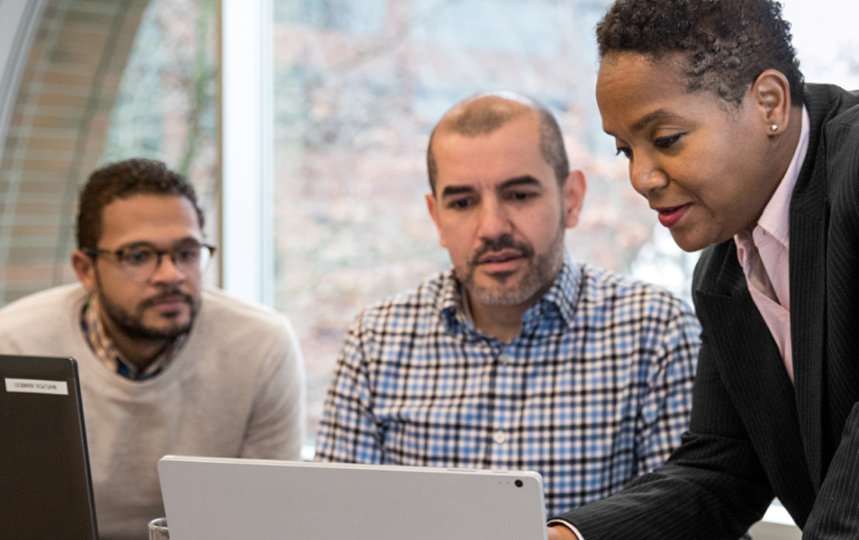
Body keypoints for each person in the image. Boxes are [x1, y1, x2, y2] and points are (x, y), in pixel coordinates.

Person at [548, 0, 859, 539]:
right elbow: (722, 471)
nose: (641, 178)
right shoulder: (723, 273)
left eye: (666, 140)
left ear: (769, 103)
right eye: (626, 151)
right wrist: (567, 537)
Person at [314, 92, 701, 518]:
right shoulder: (375, 343)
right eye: (462, 203)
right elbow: (333, 523)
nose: (493, 227)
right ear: (436, 217)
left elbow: (688, 524)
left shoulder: (658, 334)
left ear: (571, 199)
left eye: (518, 195)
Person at [0, 158, 305, 540]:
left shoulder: (262, 346)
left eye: (187, 253)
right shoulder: (14, 344)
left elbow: (271, 518)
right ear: (85, 269)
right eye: (139, 256)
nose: (171, 275)